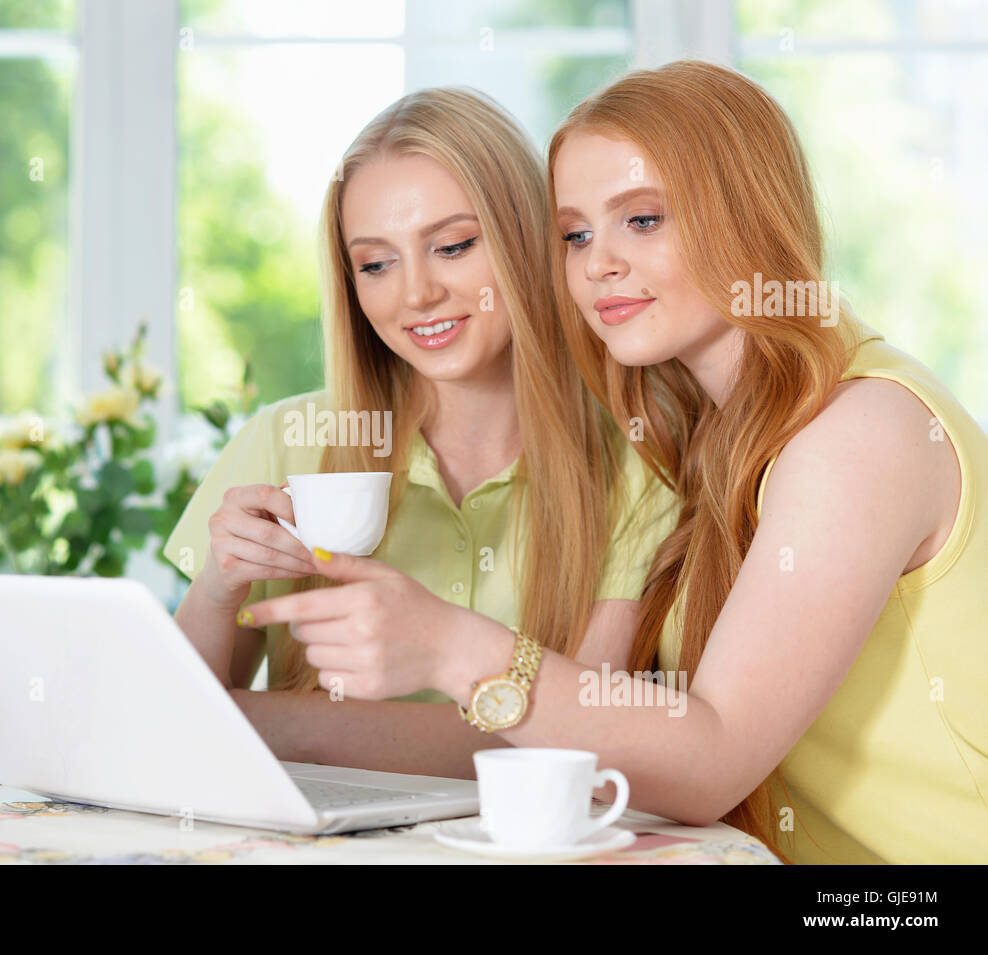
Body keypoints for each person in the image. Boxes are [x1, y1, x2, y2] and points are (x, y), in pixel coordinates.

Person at [241, 61, 988, 864]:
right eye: (575, 234)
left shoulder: (860, 430)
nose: (598, 263)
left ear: (747, 215)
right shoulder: (706, 437)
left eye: (643, 220)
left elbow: (712, 758)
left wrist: (453, 649)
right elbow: (649, 734)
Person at [162, 87, 678, 781]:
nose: (415, 295)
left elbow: (576, 740)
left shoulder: (636, 456)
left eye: (454, 246)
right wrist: (219, 591)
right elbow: (169, 723)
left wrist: (267, 718)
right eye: (375, 264)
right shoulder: (287, 440)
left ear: (531, 236)